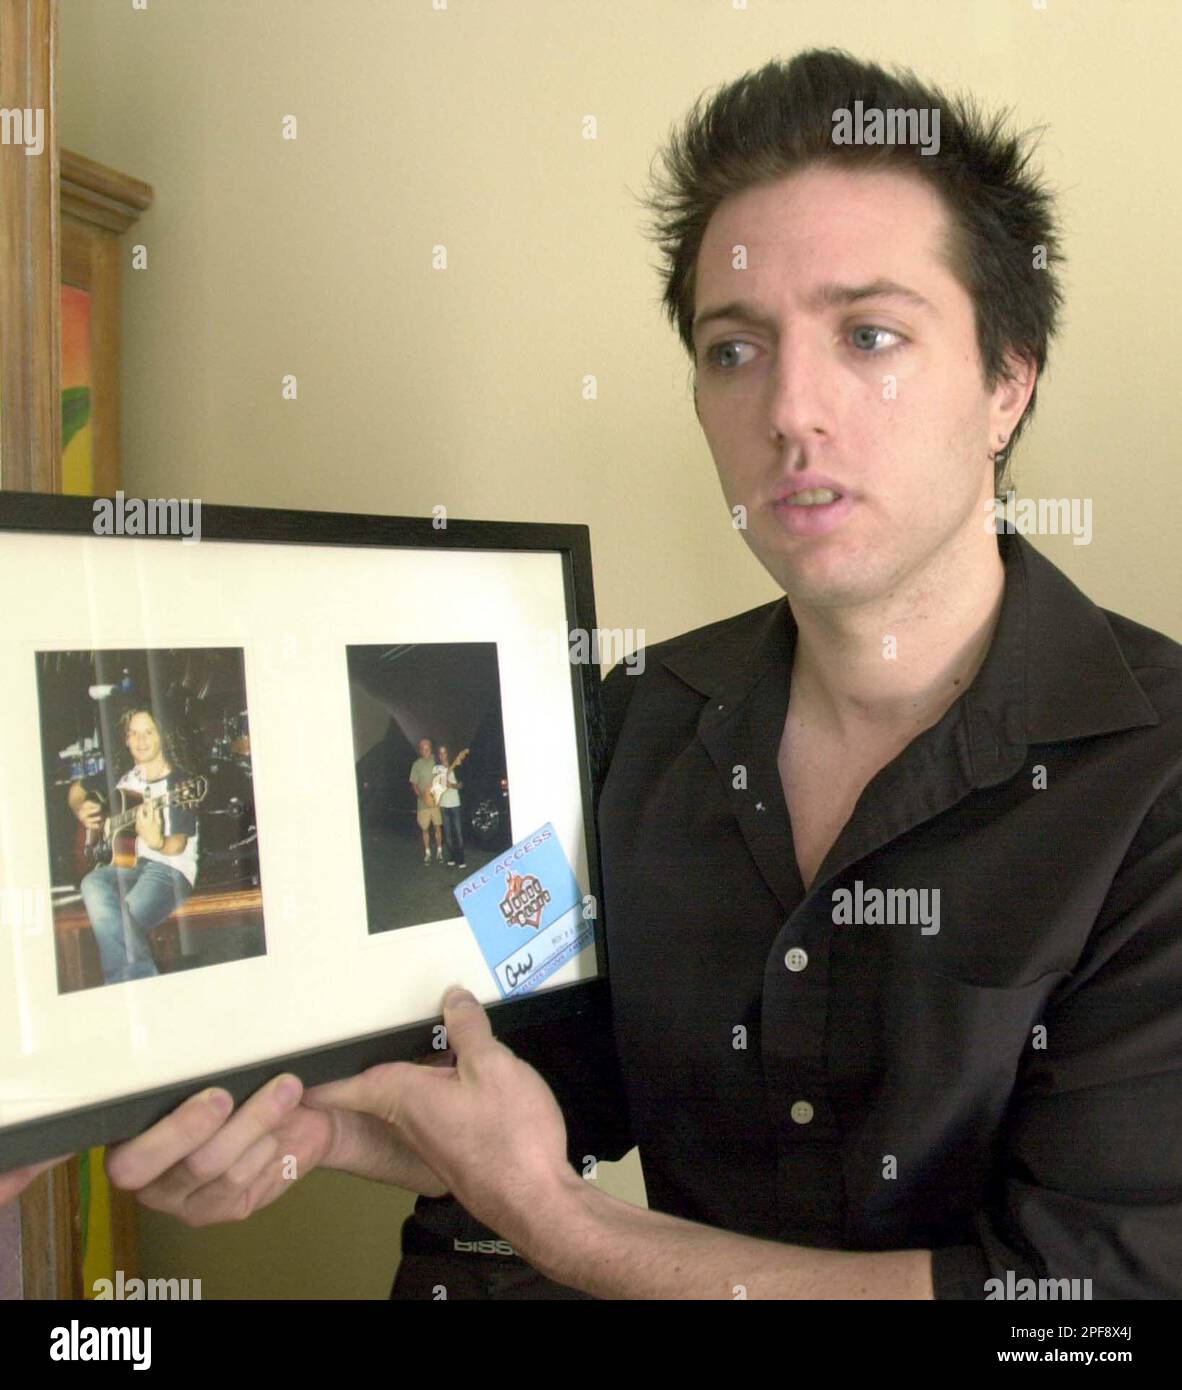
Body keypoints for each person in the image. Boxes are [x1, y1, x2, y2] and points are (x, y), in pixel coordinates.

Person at [7, 49, 1180, 1301]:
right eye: (735, 350)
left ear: (1008, 382)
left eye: (870, 335)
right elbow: (531, 1068)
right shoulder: (627, 722)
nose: (792, 409)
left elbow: (1086, 1312)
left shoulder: (1151, 784)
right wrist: (321, 1125)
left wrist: (561, 1225)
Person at [69, 704, 200, 985]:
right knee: (91, 883)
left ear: (163, 735)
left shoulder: (180, 784)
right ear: (126, 739)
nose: (140, 741)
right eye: (134, 733)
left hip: (168, 870)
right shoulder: (124, 780)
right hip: (126, 866)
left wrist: (158, 841)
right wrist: (84, 809)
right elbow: (76, 791)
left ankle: (130, 985)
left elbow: (177, 845)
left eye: (149, 732)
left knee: (117, 920)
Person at [408, 737, 444, 864]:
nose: (426, 751)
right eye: (423, 749)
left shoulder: (437, 760)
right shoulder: (416, 764)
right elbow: (413, 784)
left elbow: (442, 777)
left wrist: (438, 794)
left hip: (436, 802)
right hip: (423, 803)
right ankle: (427, 853)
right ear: (420, 750)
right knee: (425, 829)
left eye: (428, 748)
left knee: (437, 827)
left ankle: (440, 851)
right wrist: (421, 797)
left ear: (431, 748)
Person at [435, 743, 466, 868]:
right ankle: (452, 857)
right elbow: (442, 784)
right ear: (439, 756)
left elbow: (461, 784)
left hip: (455, 804)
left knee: (458, 832)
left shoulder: (457, 767)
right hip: (444, 805)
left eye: (445, 752)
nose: (443, 755)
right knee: (447, 834)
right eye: (440, 753)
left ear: (448, 754)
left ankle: (461, 860)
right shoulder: (437, 768)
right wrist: (451, 785)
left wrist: (454, 785)